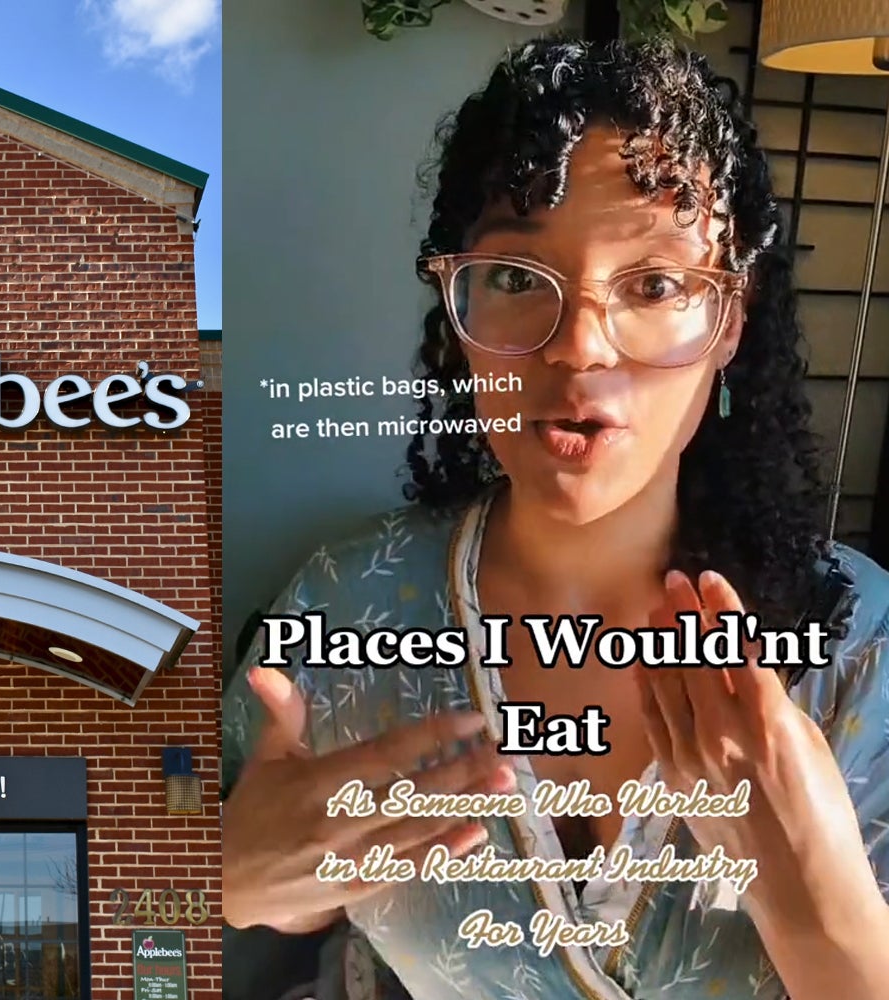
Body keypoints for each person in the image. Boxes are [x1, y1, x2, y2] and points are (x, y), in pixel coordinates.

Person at [219, 35, 889, 1000]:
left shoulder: (860, 651)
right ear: (457, 309)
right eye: (517, 280)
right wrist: (224, 880)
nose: (576, 350)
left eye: (654, 285)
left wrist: (817, 911)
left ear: (731, 317)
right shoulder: (341, 610)